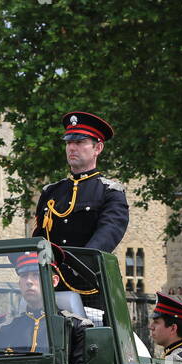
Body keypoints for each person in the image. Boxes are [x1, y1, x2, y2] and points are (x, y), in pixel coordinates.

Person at [32, 111, 130, 299]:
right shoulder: (51, 192)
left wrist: (74, 264)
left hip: (88, 289)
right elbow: (38, 238)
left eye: (79, 142)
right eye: (69, 143)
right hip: (48, 286)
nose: (72, 148)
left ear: (97, 148)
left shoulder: (110, 192)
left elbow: (106, 236)